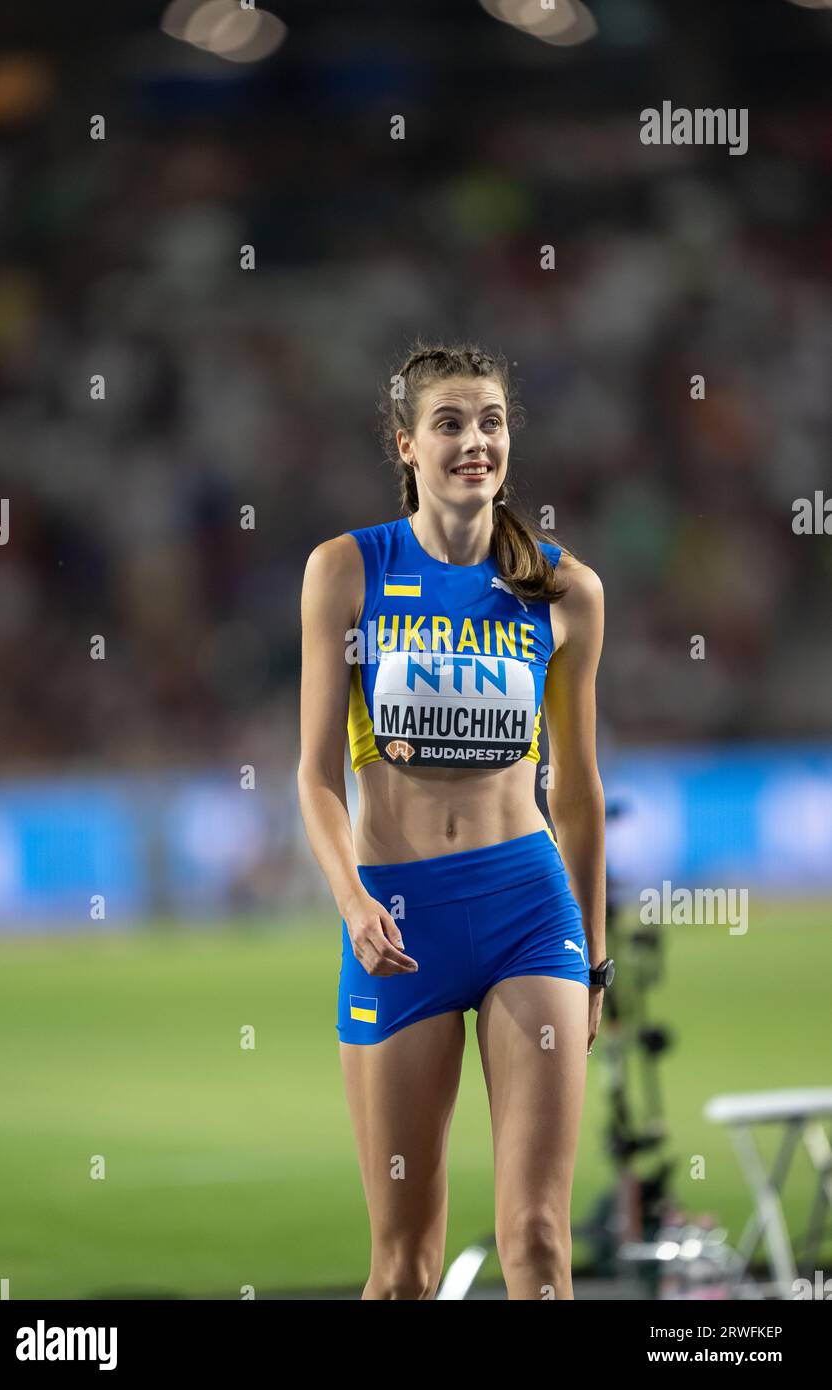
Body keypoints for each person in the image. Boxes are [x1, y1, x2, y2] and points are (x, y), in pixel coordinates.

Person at [298, 341, 609, 1300]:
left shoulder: (565, 591)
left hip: (529, 909)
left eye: (491, 423)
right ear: (406, 444)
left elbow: (581, 792)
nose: (475, 442)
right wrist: (351, 902)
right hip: (397, 922)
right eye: (449, 424)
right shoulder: (347, 571)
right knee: (403, 1268)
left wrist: (595, 960)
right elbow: (313, 777)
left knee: (540, 1242)